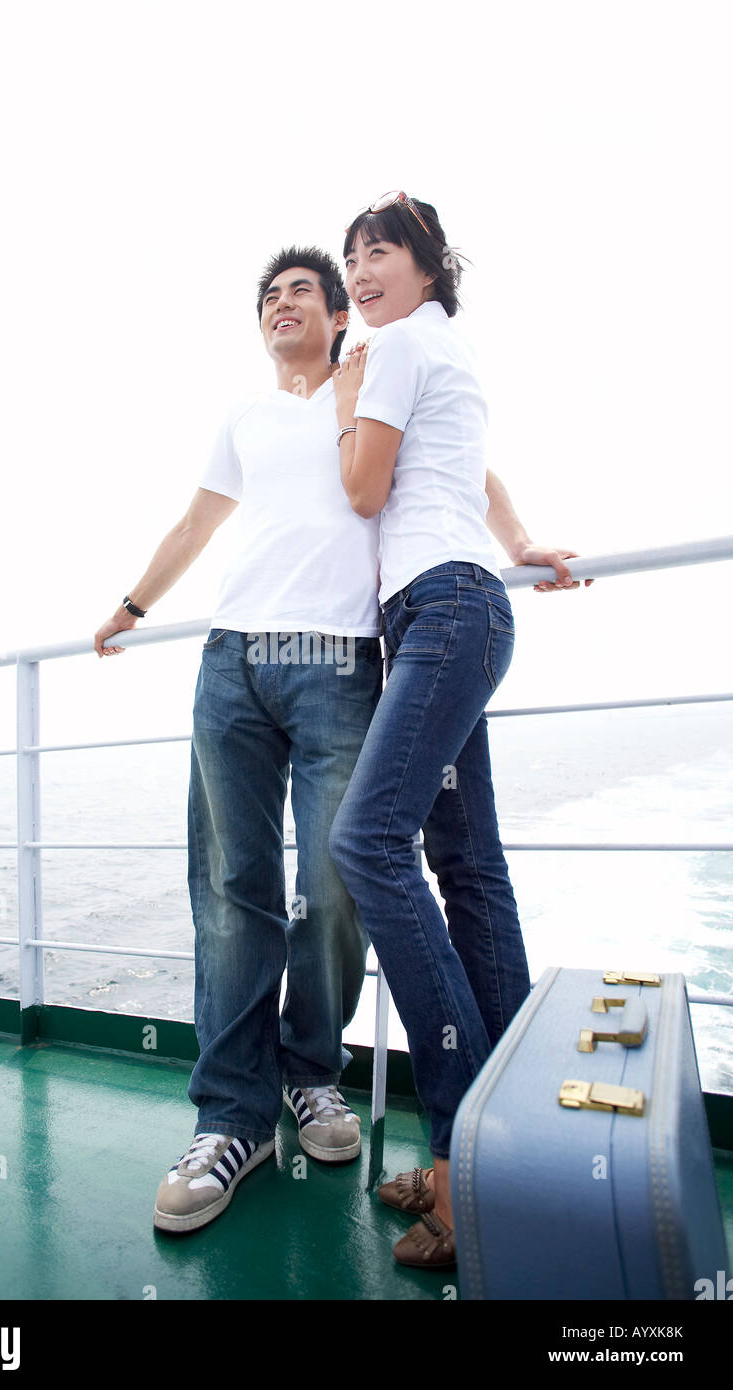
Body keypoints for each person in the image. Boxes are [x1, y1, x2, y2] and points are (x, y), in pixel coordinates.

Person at [94, 241, 579, 1236]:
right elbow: (197, 520)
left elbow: (466, 469)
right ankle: (234, 1116)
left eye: (302, 292)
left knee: (335, 882)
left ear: (336, 316)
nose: (282, 304)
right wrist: (133, 604)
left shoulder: (368, 386)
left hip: (342, 665)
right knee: (232, 893)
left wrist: (521, 541)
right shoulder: (245, 415)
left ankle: (313, 1076)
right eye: (269, 295)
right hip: (232, 661)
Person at [328, 191, 580, 1268]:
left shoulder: (385, 355)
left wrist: (344, 395)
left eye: (381, 250)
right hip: (467, 608)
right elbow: (472, 471)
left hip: (439, 613)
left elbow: (363, 486)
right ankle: (510, 1149)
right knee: (466, 862)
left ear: (428, 268)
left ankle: (464, 1145)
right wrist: (520, 536)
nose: (361, 269)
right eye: (352, 256)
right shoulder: (442, 351)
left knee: (364, 843)